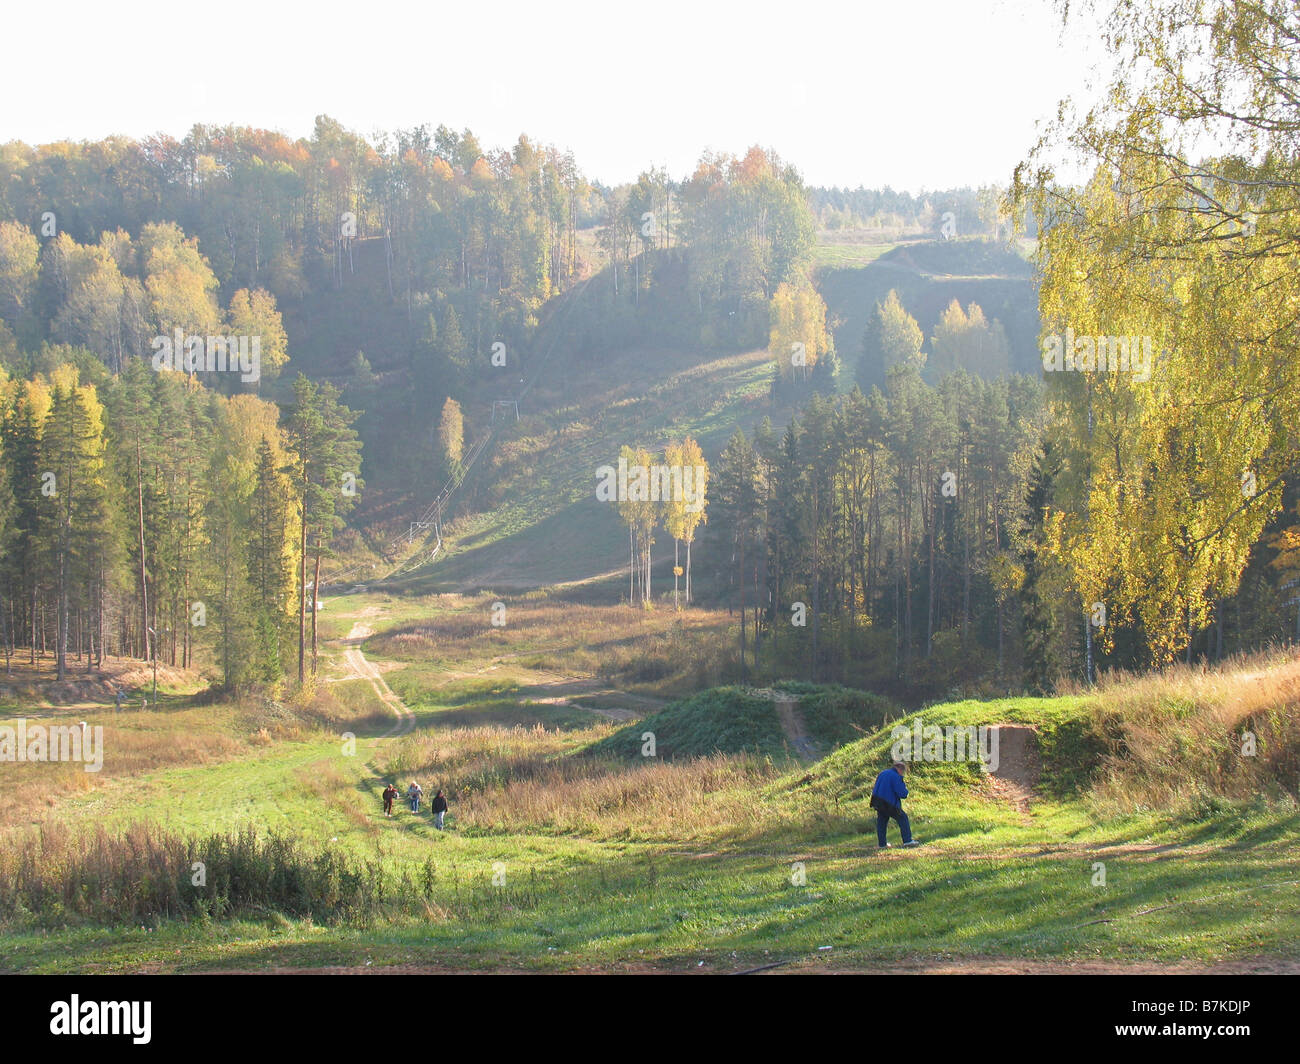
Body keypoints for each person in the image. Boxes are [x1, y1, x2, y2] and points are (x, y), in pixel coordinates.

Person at [870, 761, 920, 849]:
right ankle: (907, 840)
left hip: (877, 800)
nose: (903, 773)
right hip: (888, 802)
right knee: (902, 818)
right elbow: (902, 793)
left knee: (882, 821)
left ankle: (882, 844)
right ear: (900, 769)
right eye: (903, 771)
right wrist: (906, 791)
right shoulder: (896, 776)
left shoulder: (883, 773)